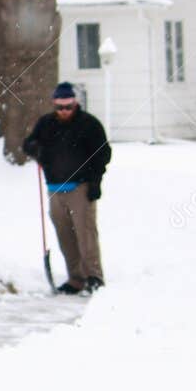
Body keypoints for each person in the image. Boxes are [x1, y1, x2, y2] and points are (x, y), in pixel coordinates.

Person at [23, 82, 112, 295]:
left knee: (85, 234)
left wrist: (95, 183)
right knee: (65, 235)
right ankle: (76, 278)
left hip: (80, 188)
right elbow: (29, 144)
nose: (64, 112)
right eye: (60, 107)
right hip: (55, 188)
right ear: (54, 105)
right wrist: (33, 147)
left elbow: (103, 154)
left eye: (68, 107)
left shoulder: (89, 124)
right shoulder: (46, 124)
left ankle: (94, 277)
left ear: (75, 104)